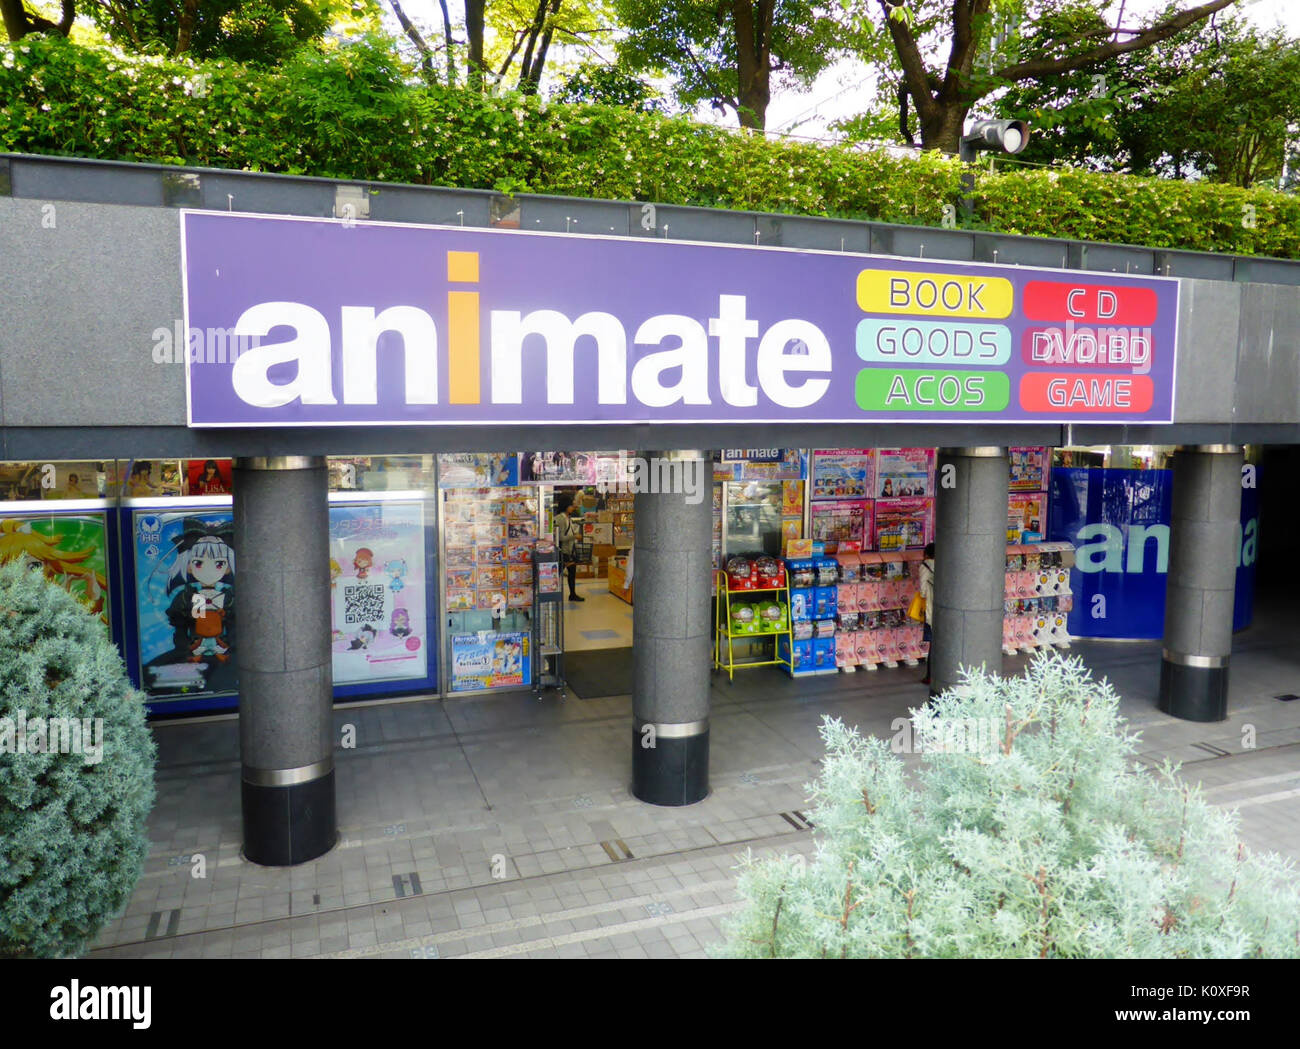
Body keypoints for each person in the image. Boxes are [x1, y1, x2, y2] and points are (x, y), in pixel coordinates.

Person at [556, 496, 584, 601]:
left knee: (571, 572)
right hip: (563, 551)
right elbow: (561, 537)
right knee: (557, 574)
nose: (573, 507)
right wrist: (575, 536)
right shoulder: (561, 519)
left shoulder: (568, 517)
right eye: (571, 505)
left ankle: (572, 594)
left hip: (568, 550)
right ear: (566, 506)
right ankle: (553, 592)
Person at [918, 542, 935, 686]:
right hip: (944, 608)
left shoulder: (925, 566)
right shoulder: (945, 563)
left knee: (933, 644)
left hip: (931, 608)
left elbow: (923, 591)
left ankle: (930, 675)